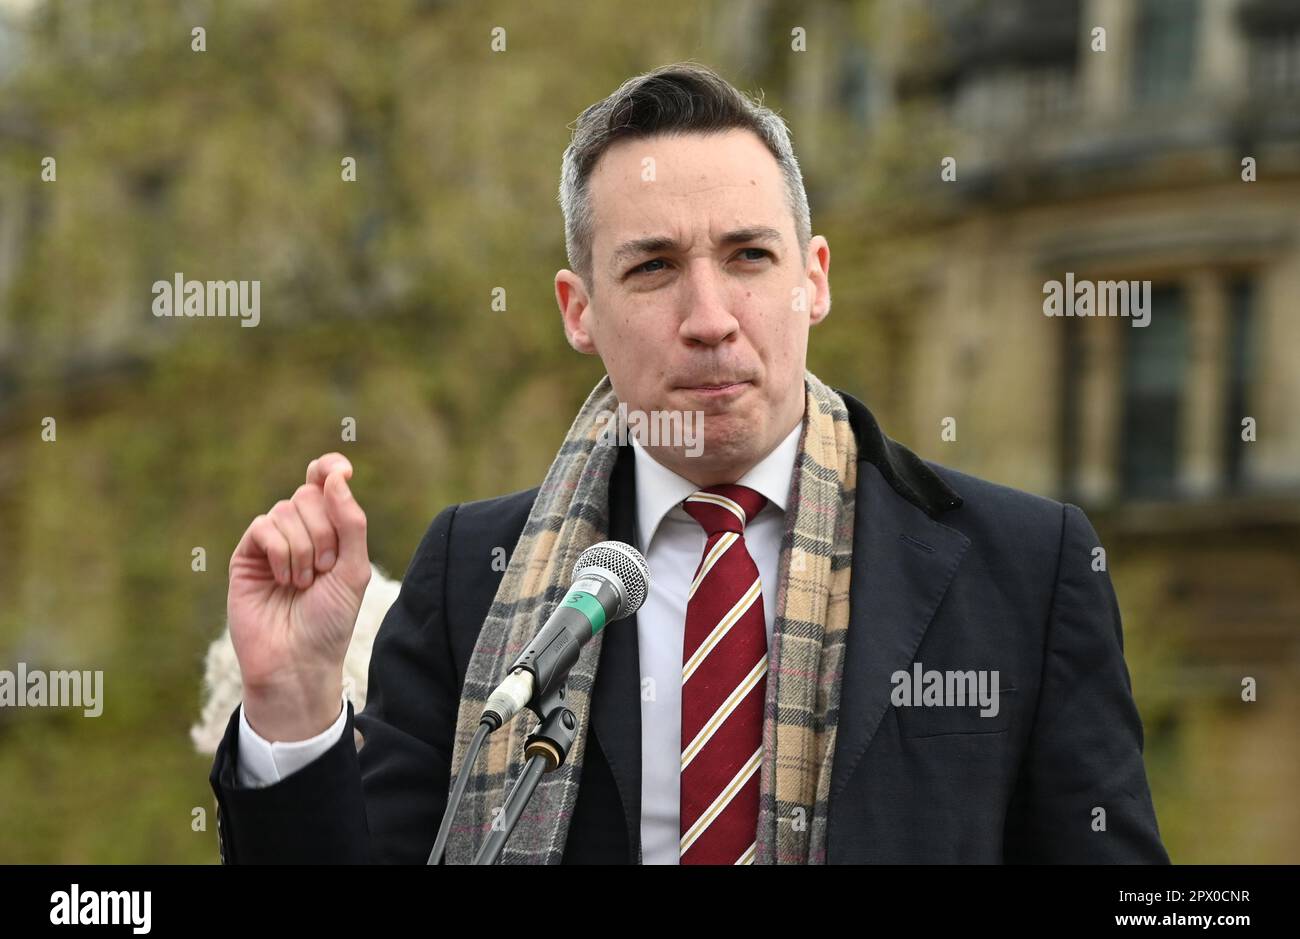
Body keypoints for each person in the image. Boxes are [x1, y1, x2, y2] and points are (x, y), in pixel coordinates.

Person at [210, 62, 1169, 865]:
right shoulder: (473, 572)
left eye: (749, 256)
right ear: (578, 310)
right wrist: (292, 704)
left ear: (814, 280)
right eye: (654, 267)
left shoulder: (1024, 567)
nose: (710, 318)